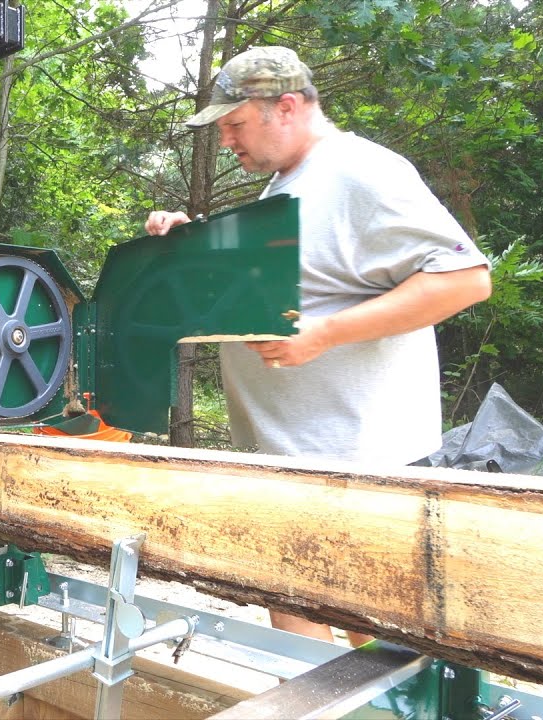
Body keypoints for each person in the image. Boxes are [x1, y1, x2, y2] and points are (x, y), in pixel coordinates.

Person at [146, 46, 492, 645]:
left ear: (286, 107)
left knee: (377, 633)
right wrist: (189, 244)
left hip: (356, 462)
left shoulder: (360, 170)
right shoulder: (285, 186)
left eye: (235, 125)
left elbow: (465, 279)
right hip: (295, 454)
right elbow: (285, 288)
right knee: (298, 616)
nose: (228, 141)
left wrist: (326, 335)